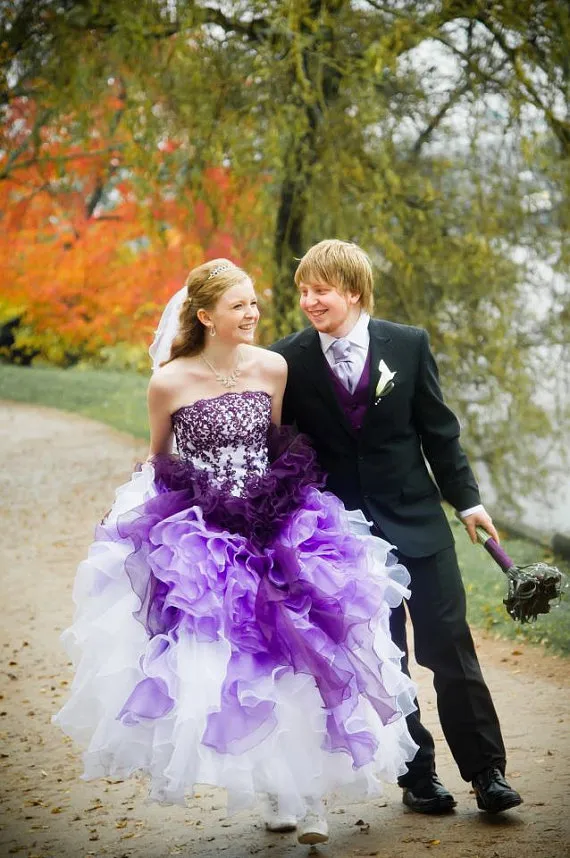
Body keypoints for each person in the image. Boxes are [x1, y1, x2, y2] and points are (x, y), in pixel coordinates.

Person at [54, 258, 419, 847]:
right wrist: (137, 512)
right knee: (244, 667)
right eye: (238, 306)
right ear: (205, 316)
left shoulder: (272, 368)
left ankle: (312, 798)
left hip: (277, 523)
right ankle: (279, 788)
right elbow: (159, 456)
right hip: (206, 536)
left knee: (306, 653)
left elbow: (275, 442)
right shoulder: (169, 381)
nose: (252, 314)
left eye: (254, 303)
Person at [271, 239, 523, 816]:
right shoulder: (288, 359)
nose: (309, 301)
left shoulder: (407, 346)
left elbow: (439, 431)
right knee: (385, 660)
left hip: (419, 525)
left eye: (321, 290)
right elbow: (283, 450)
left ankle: (488, 774)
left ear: (353, 291)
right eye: (303, 291)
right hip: (347, 541)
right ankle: (418, 777)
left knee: (451, 652)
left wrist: (466, 502)